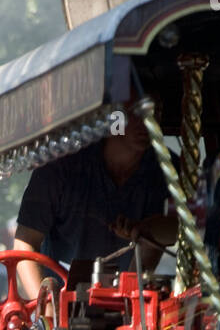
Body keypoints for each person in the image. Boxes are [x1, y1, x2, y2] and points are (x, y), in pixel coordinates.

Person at [13, 100, 178, 297]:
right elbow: (25, 243)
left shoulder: (166, 168)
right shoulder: (60, 165)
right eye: (134, 111)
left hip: (123, 301)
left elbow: (188, 228)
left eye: (154, 111)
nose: (146, 122)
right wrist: (46, 311)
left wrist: (145, 229)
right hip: (60, 300)